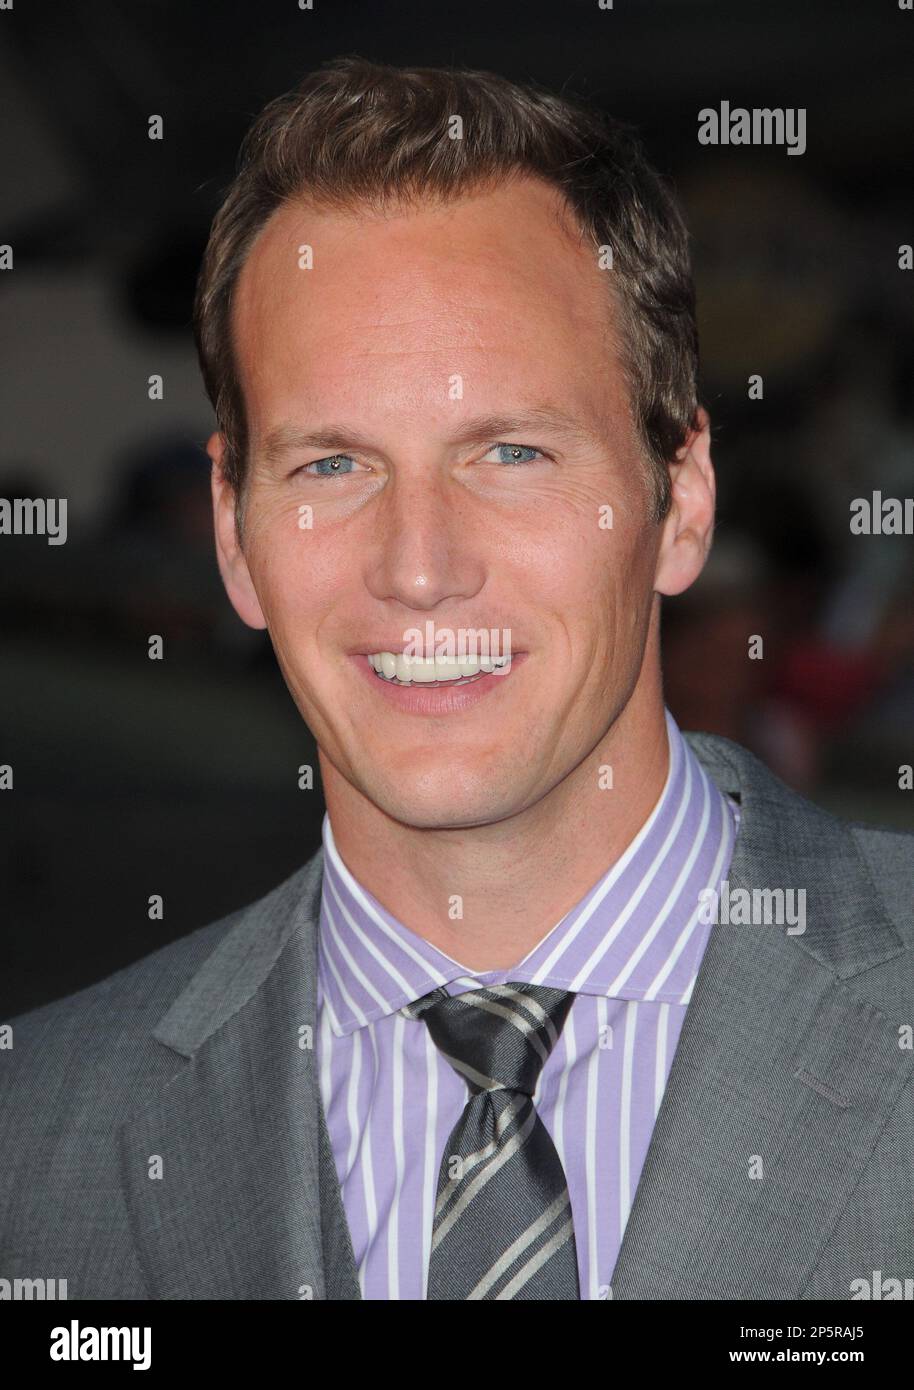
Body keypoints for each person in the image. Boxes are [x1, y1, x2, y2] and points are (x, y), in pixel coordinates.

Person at [2, 56, 912, 1302]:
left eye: (512, 450)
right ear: (232, 531)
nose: (417, 569)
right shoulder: (36, 1143)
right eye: (331, 467)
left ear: (680, 497)